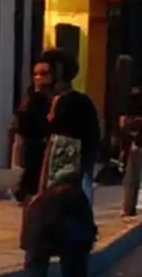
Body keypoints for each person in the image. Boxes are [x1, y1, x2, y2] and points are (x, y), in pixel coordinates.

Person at [21, 124, 96, 276]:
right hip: (71, 218)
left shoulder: (60, 141)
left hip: (44, 214)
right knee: (75, 260)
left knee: (36, 261)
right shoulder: (81, 143)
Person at [40, 49, 101, 200]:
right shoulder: (51, 101)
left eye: (45, 73)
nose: (39, 79)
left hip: (68, 172)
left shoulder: (73, 102)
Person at [12, 58, 55, 202]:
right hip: (32, 142)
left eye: (43, 73)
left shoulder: (55, 97)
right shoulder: (29, 95)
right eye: (35, 74)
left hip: (47, 142)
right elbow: (22, 118)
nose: (38, 78)